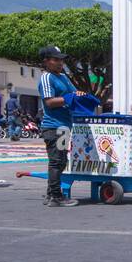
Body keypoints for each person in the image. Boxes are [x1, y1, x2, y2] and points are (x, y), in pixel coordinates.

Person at [38, 45, 98, 207]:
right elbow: (49, 102)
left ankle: (51, 195)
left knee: (61, 160)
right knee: (57, 161)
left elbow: (74, 93)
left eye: (61, 60)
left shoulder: (63, 77)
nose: (60, 63)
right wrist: (69, 98)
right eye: (56, 59)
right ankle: (56, 196)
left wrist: (80, 95)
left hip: (64, 126)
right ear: (46, 61)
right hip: (54, 126)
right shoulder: (46, 78)